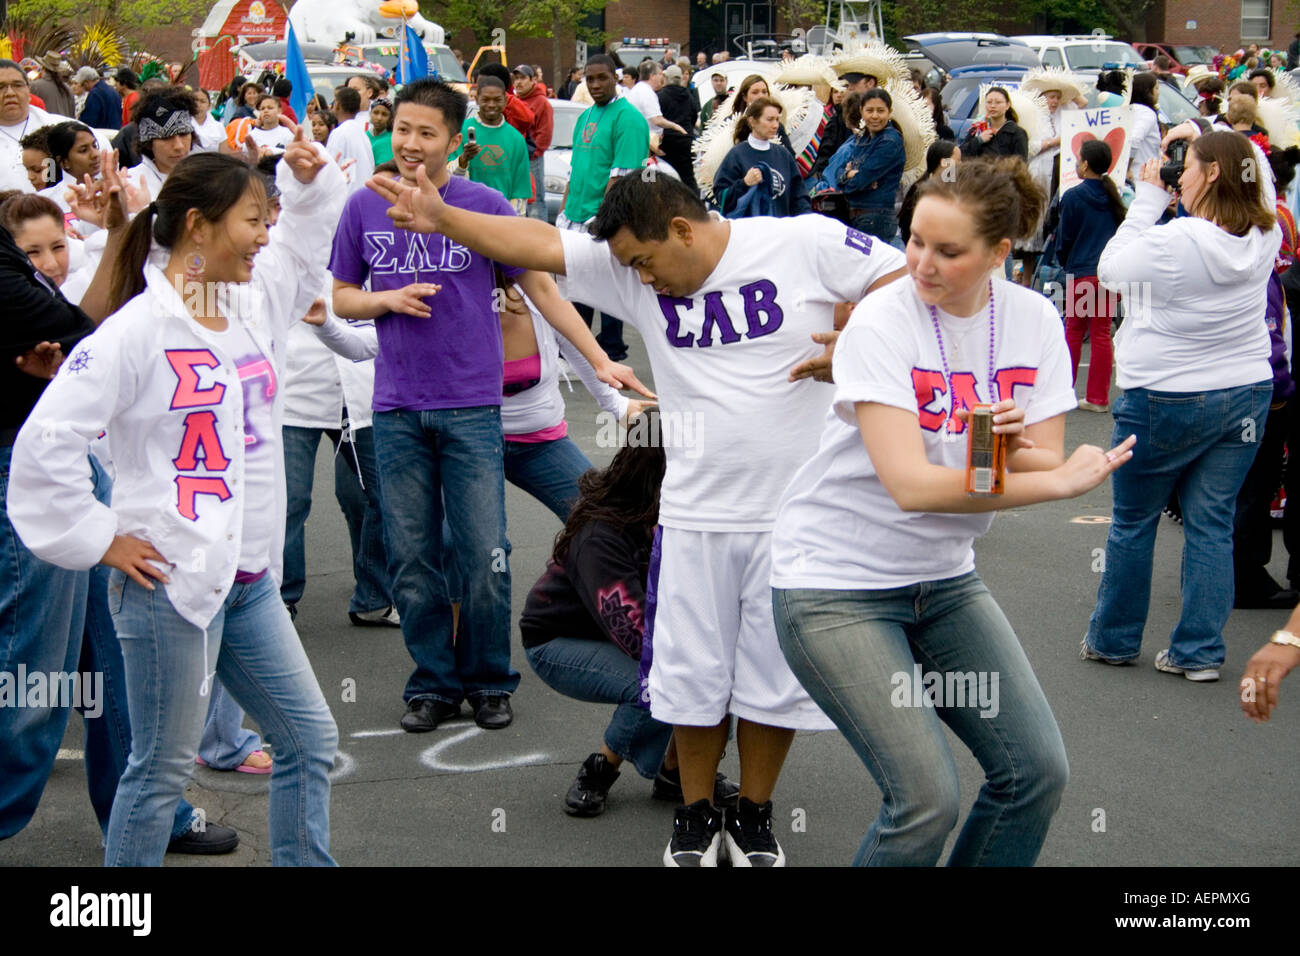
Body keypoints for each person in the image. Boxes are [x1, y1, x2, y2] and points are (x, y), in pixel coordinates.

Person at [365, 162, 908, 867]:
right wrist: (445, 220)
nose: (642, 282)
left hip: (793, 522)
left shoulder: (803, 241)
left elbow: (900, 278)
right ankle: (695, 814)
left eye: (648, 264)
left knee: (772, 682)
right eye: (630, 269)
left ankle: (754, 814)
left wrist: (856, 342)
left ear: (681, 228)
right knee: (689, 676)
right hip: (691, 517)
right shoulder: (627, 264)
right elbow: (535, 242)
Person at [768, 156, 1132, 867]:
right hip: (834, 584)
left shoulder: (1031, 319)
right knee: (926, 800)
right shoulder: (881, 319)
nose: (922, 264)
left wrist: (996, 442)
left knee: (1035, 774)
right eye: (914, 241)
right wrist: (1055, 485)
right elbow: (912, 484)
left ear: (1000, 252)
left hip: (941, 578)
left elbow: (1038, 453)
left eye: (948, 251)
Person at [9, 133, 346, 866]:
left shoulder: (253, 304)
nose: (264, 235)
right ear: (197, 225)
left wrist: (309, 182)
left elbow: (304, 249)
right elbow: (46, 444)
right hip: (170, 587)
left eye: (267, 218)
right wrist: (103, 538)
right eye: (251, 220)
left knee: (308, 740)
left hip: (248, 578)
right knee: (160, 773)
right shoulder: (135, 331)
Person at [330, 78, 648, 736]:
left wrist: (599, 360)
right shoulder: (365, 205)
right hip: (396, 409)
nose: (412, 144)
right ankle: (433, 683)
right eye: (403, 130)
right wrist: (382, 302)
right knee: (414, 557)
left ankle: (488, 678)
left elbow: (543, 290)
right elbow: (341, 296)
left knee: (484, 552)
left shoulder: (481, 207)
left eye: (427, 133)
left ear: (453, 140)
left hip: (473, 409)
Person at [0, 154, 237, 857]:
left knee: (113, 667)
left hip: (69, 467)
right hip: (26, 466)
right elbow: (88, 334)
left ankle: (151, 811)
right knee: (33, 673)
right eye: (250, 221)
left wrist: (114, 232)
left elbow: (78, 335)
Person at [1083, 133, 1280, 682]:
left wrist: (1147, 200)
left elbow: (1109, 271)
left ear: (1213, 173)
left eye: (1187, 167)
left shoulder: (1174, 242)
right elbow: (1255, 169)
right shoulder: (1267, 232)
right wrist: (1215, 142)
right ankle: (1198, 653)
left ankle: (1115, 640)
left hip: (1163, 395)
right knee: (1211, 523)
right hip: (1244, 391)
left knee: (1132, 520)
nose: (1178, 176)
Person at [519, 407, 739, 817]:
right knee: (665, 679)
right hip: (560, 641)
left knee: (721, 671)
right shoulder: (602, 534)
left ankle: (675, 771)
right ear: (663, 474)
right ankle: (600, 768)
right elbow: (636, 637)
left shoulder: (675, 512)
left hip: (621, 632)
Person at [557, 55, 649, 363]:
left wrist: (603, 221)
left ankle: (610, 351)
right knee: (578, 286)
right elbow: (576, 168)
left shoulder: (629, 119)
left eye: (602, 78)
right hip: (574, 216)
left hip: (603, 219)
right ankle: (579, 351)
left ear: (616, 78)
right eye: (589, 79)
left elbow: (621, 177)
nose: (595, 84)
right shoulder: (586, 117)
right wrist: (564, 212)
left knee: (605, 288)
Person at [1057, 138, 1125, 413]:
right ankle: (1098, 398)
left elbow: (1064, 239)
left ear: (1084, 164)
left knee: (1073, 331)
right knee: (1101, 334)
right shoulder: (1114, 196)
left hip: (1081, 271)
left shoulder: (1073, 196)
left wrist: (1066, 262)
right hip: (1107, 273)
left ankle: (1063, 392)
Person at [814, 90, 906, 242]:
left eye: (881, 111)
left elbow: (858, 181)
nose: (875, 116)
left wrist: (851, 178)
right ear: (861, 112)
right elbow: (839, 174)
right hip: (858, 215)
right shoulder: (862, 138)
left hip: (876, 217)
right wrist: (848, 175)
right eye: (869, 110)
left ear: (889, 112)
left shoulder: (889, 141)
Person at [714, 96, 810, 217]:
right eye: (770, 119)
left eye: (777, 120)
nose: (775, 125)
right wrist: (744, 183)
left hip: (781, 231)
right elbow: (721, 197)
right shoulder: (737, 155)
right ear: (752, 121)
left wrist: (806, 219)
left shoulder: (783, 155)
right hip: (749, 232)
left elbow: (799, 195)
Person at [450, 77, 532, 212]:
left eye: (497, 100)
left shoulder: (516, 139)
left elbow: (520, 192)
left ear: (505, 100)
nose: (491, 104)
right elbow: (447, 179)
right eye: (486, 99)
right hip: (465, 215)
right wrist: (463, 159)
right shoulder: (460, 131)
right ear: (476, 99)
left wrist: (512, 221)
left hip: (500, 218)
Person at [0, 59, 64, 193]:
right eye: (1, 87)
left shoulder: (59, 129)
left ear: (28, 89)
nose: (10, 93)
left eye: (17, 85)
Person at [130, 91, 199, 200]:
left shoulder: (205, 179)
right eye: (166, 137)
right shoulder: (131, 184)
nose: (179, 146)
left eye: (183, 134)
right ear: (148, 143)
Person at [897, 140, 959, 245]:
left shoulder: (952, 188)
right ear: (944, 162)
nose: (961, 164)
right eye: (958, 160)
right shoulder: (923, 190)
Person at [512, 65, 553, 220]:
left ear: (533, 80)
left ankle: (539, 239)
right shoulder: (514, 101)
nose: (518, 82)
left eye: (523, 78)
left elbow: (545, 131)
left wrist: (535, 152)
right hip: (515, 157)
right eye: (516, 78)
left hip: (532, 158)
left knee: (535, 200)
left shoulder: (542, 102)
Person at [656, 65, 698, 193]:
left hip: (666, 142)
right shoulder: (689, 96)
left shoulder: (660, 96)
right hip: (685, 140)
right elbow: (694, 116)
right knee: (688, 178)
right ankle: (695, 205)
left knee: (664, 177)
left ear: (666, 78)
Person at [326, 86, 375, 194]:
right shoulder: (363, 134)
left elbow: (331, 168)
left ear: (337, 105)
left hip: (347, 196)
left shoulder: (339, 133)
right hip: (364, 193)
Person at [959, 87, 1026, 161]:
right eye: (989, 102)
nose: (993, 106)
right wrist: (978, 140)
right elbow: (961, 154)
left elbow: (1021, 163)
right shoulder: (977, 130)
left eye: (998, 102)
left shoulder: (1016, 132)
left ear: (1007, 105)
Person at [1128, 73, 1162, 181]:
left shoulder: (1128, 110)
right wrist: (1127, 168)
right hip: (1142, 176)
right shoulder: (1146, 113)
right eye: (1156, 88)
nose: (1158, 92)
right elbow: (1133, 140)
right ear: (1148, 91)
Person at [31, 53, 75, 119]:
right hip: (65, 126)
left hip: (46, 126)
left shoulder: (35, 86)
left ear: (43, 68)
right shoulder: (68, 89)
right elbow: (72, 114)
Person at [191, 88, 224, 152]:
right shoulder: (182, 126)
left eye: (202, 101)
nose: (198, 105)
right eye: (194, 101)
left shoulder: (219, 127)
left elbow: (224, 155)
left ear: (209, 105)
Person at [367, 97, 392, 165]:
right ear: (370, 114)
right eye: (376, 113)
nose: (379, 118)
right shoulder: (365, 136)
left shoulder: (390, 140)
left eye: (384, 114)